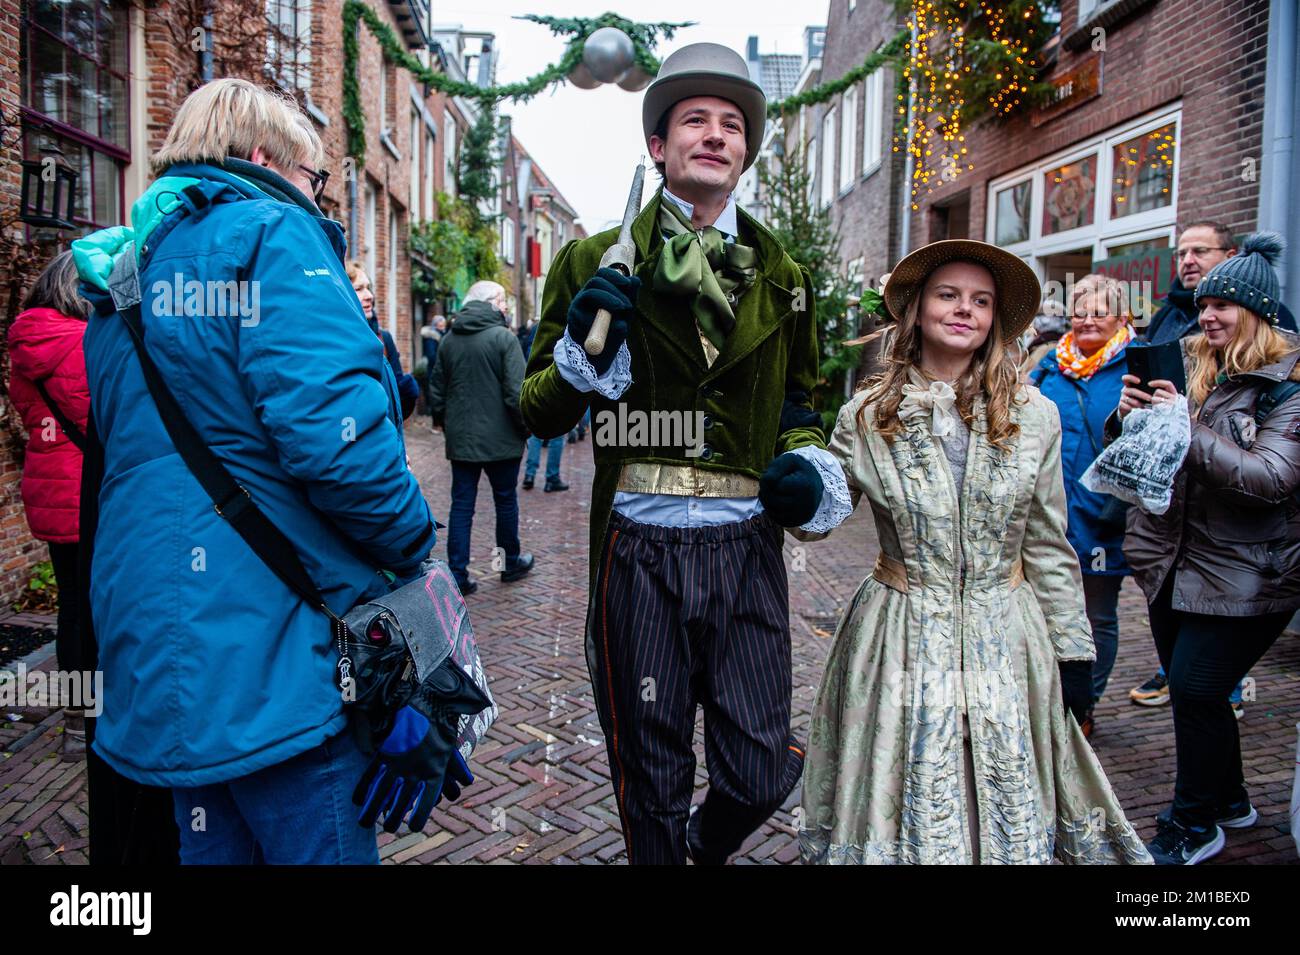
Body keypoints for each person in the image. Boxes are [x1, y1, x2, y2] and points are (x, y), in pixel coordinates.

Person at [71, 77, 435, 864]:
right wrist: (415, 547)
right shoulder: (273, 232)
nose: (318, 198)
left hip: (157, 657)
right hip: (276, 656)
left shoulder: (122, 283)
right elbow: (340, 450)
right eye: (316, 179)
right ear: (267, 159)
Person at [521, 43, 851, 865]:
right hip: (639, 550)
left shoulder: (785, 273)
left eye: (732, 123)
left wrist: (808, 466)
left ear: (746, 150)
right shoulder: (595, 260)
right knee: (651, 771)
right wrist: (584, 355)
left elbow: (804, 402)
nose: (714, 134)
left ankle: (705, 844)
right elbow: (534, 409)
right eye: (693, 119)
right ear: (658, 147)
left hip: (745, 550)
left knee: (759, 767)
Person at [799, 239, 1151, 865]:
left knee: (998, 778)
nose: (965, 310)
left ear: (995, 319)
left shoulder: (1035, 415)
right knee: (909, 776)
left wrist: (1070, 648)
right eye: (949, 295)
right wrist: (797, 493)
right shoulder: (865, 416)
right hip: (900, 630)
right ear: (917, 310)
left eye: (981, 300)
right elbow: (822, 518)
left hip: (1006, 632)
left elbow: (1045, 541)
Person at [1116, 232, 1300, 865]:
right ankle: (1230, 800)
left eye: (1223, 306)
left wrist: (1188, 429)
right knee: (1203, 694)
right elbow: (1154, 462)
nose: (1207, 315)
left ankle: (1193, 824)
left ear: (1258, 314)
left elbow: (1272, 479)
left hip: (1251, 575)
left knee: (1194, 690)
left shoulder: (1289, 389)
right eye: (1204, 306)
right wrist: (1130, 417)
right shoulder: (1199, 371)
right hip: (1175, 565)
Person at [1029, 275, 1135, 737]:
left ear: (1122, 318)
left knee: (1095, 616)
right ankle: (1044, 698)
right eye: (1080, 311)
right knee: (1038, 610)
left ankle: (1082, 707)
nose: (1088, 320)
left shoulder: (1135, 367)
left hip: (1101, 513)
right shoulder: (1050, 363)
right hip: (1047, 513)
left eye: (1100, 312)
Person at [8, 251, 91, 759]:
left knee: (73, 609)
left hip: (51, 493)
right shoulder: (86, 343)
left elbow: (25, 412)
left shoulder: (24, 343)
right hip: (96, 495)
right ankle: (113, 719)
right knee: (106, 609)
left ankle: (79, 723)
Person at [429, 280, 534, 595]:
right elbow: (517, 394)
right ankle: (507, 564)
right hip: (502, 443)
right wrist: (525, 428)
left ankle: (458, 574)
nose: (506, 307)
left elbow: (436, 391)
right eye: (503, 301)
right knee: (505, 502)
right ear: (491, 303)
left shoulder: (449, 340)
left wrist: (447, 425)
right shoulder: (504, 339)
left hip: (462, 442)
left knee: (462, 506)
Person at [346, 261, 420, 420]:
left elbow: (397, 406)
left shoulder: (383, 338)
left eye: (368, 288)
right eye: (359, 289)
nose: (369, 296)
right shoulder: (334, 341)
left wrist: (406, 393)